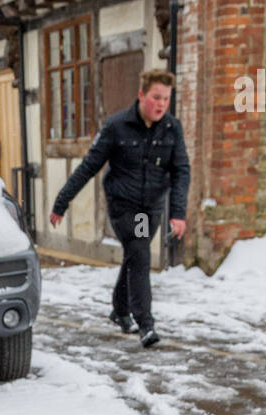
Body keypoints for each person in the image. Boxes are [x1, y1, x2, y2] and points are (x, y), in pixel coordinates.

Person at [49, 69, 190, 347]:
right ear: (141, 95)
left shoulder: (172, 128)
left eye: (166, 98)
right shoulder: (116, 127)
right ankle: (145, 324)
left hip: (151, 207)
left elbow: (181, 171)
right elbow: (89, 166)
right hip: (124, 206)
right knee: (139, 254)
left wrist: (178, 213)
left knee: (134, 256)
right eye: (156, 97)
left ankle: (119, 310)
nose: (161, 104)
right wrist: (61, 202)